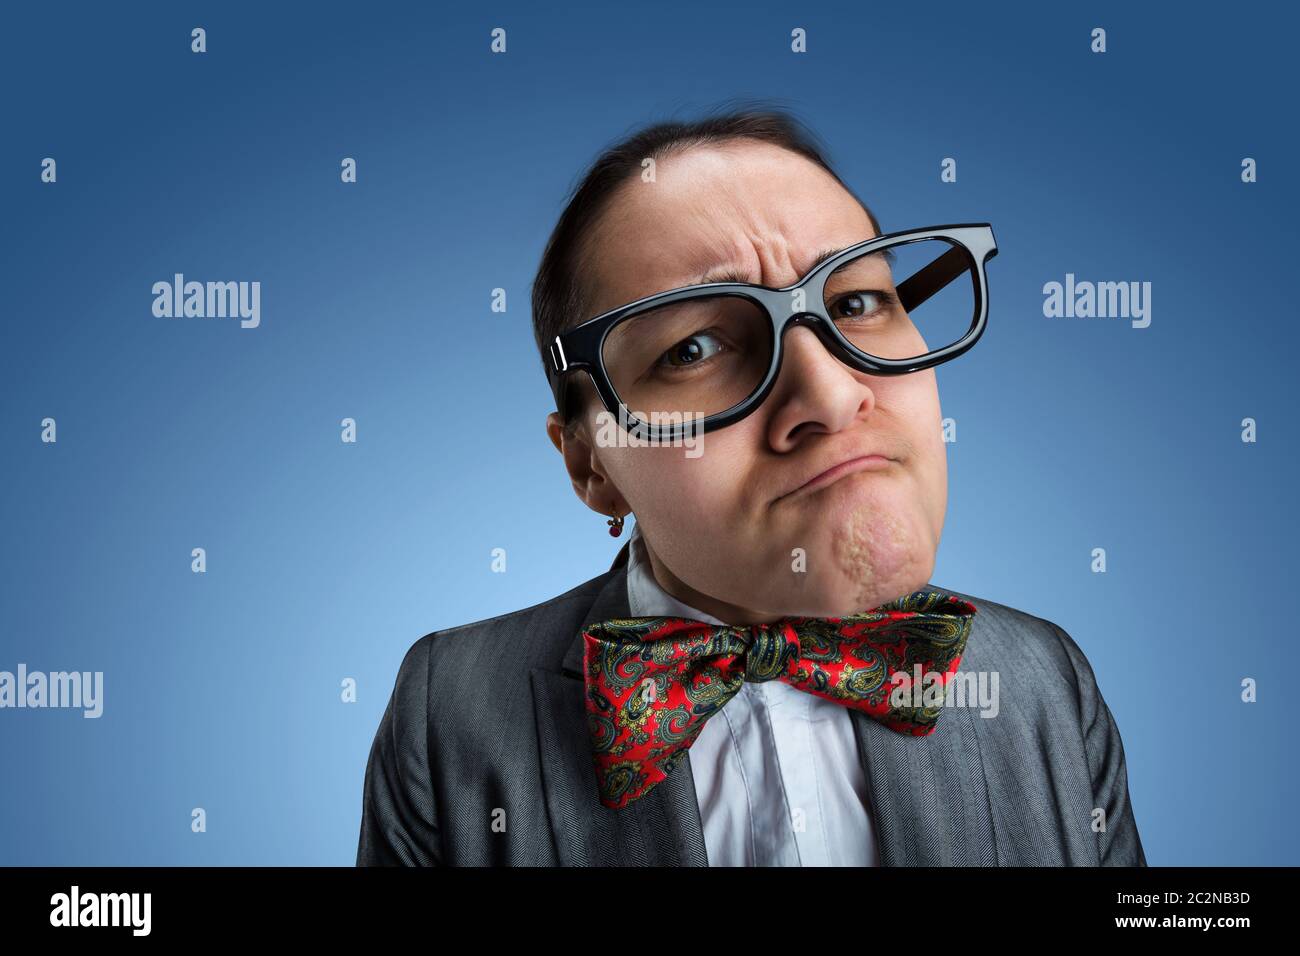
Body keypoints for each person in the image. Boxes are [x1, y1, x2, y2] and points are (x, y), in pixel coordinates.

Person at [356, 105, 1146, 866]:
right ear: (592, 466)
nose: (833, 398)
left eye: (858, 302)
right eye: (695, 348)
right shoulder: (449, 714)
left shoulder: (1044, 679)